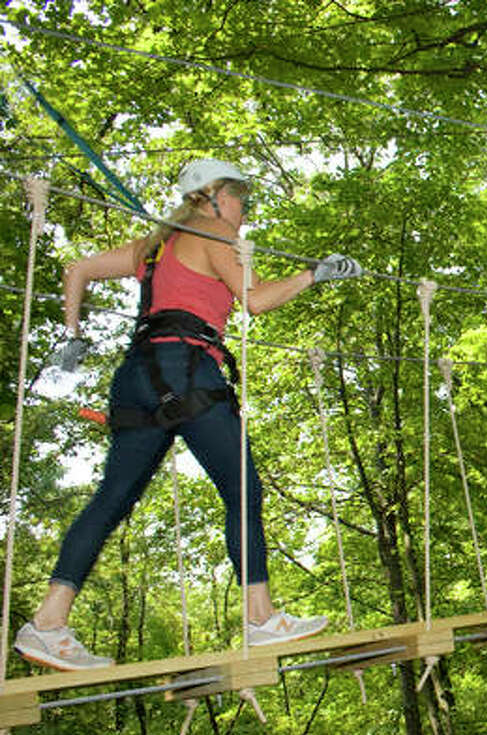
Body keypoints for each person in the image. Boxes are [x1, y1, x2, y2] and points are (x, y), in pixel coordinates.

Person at [15, 159, 362, 670]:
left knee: (112, 499)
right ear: (215, 196)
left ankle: (47, 623)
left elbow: (79, 270)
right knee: (243, 489)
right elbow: (257, 300)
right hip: (188, 369)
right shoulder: (215, 231)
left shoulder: (154, 246)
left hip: (136, 376)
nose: (245, 208)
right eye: (241, 195)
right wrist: (314, 273)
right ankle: (260, 617)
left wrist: (73, 337)